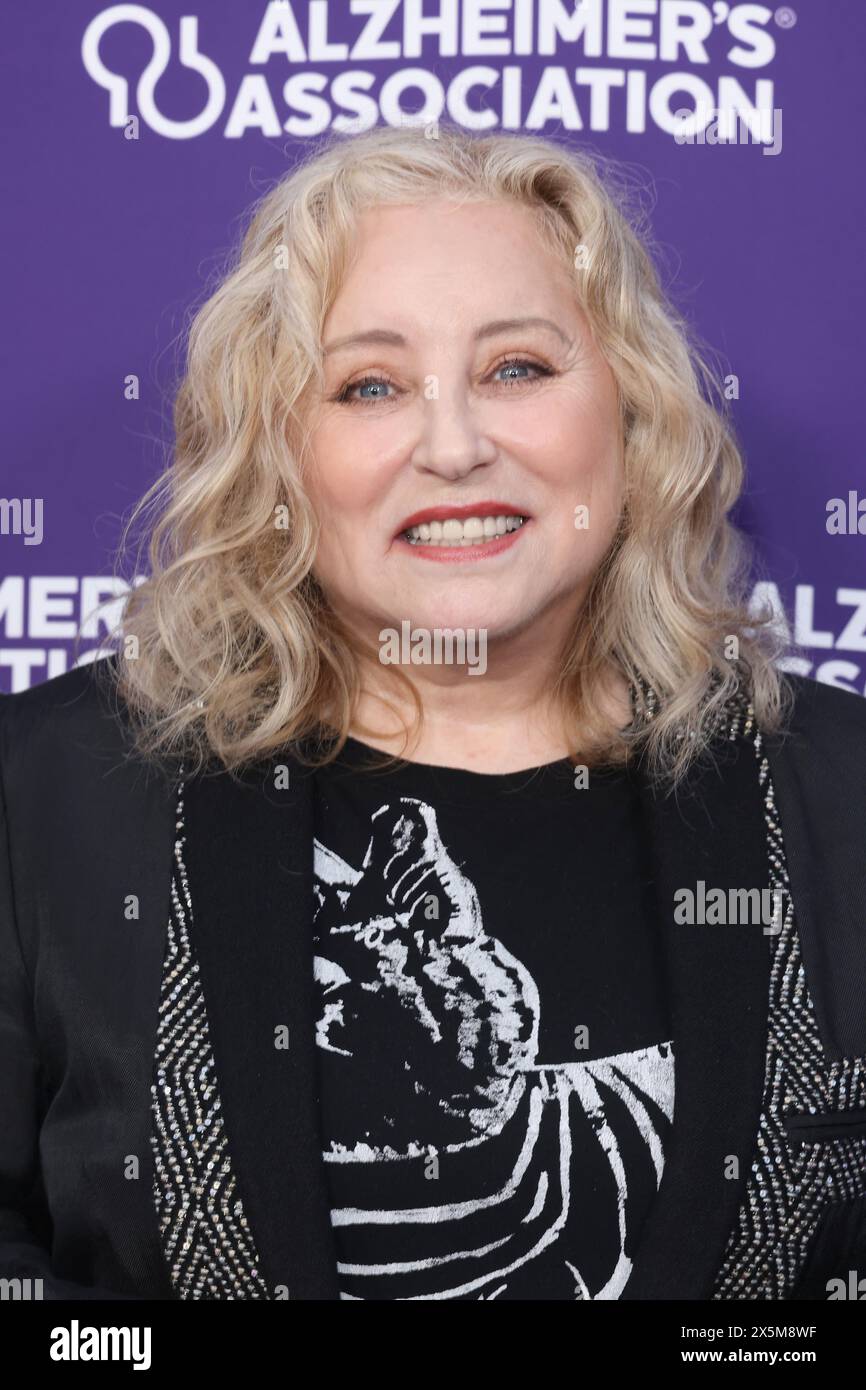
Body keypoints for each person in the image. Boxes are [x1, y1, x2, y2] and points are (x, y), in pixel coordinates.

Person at [1, 124, 865, 1303]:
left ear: (630, 409)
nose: (455, 445)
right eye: (367, 385)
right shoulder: (44, 793)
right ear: (277, 453)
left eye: (516, 368)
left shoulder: (838, 793)